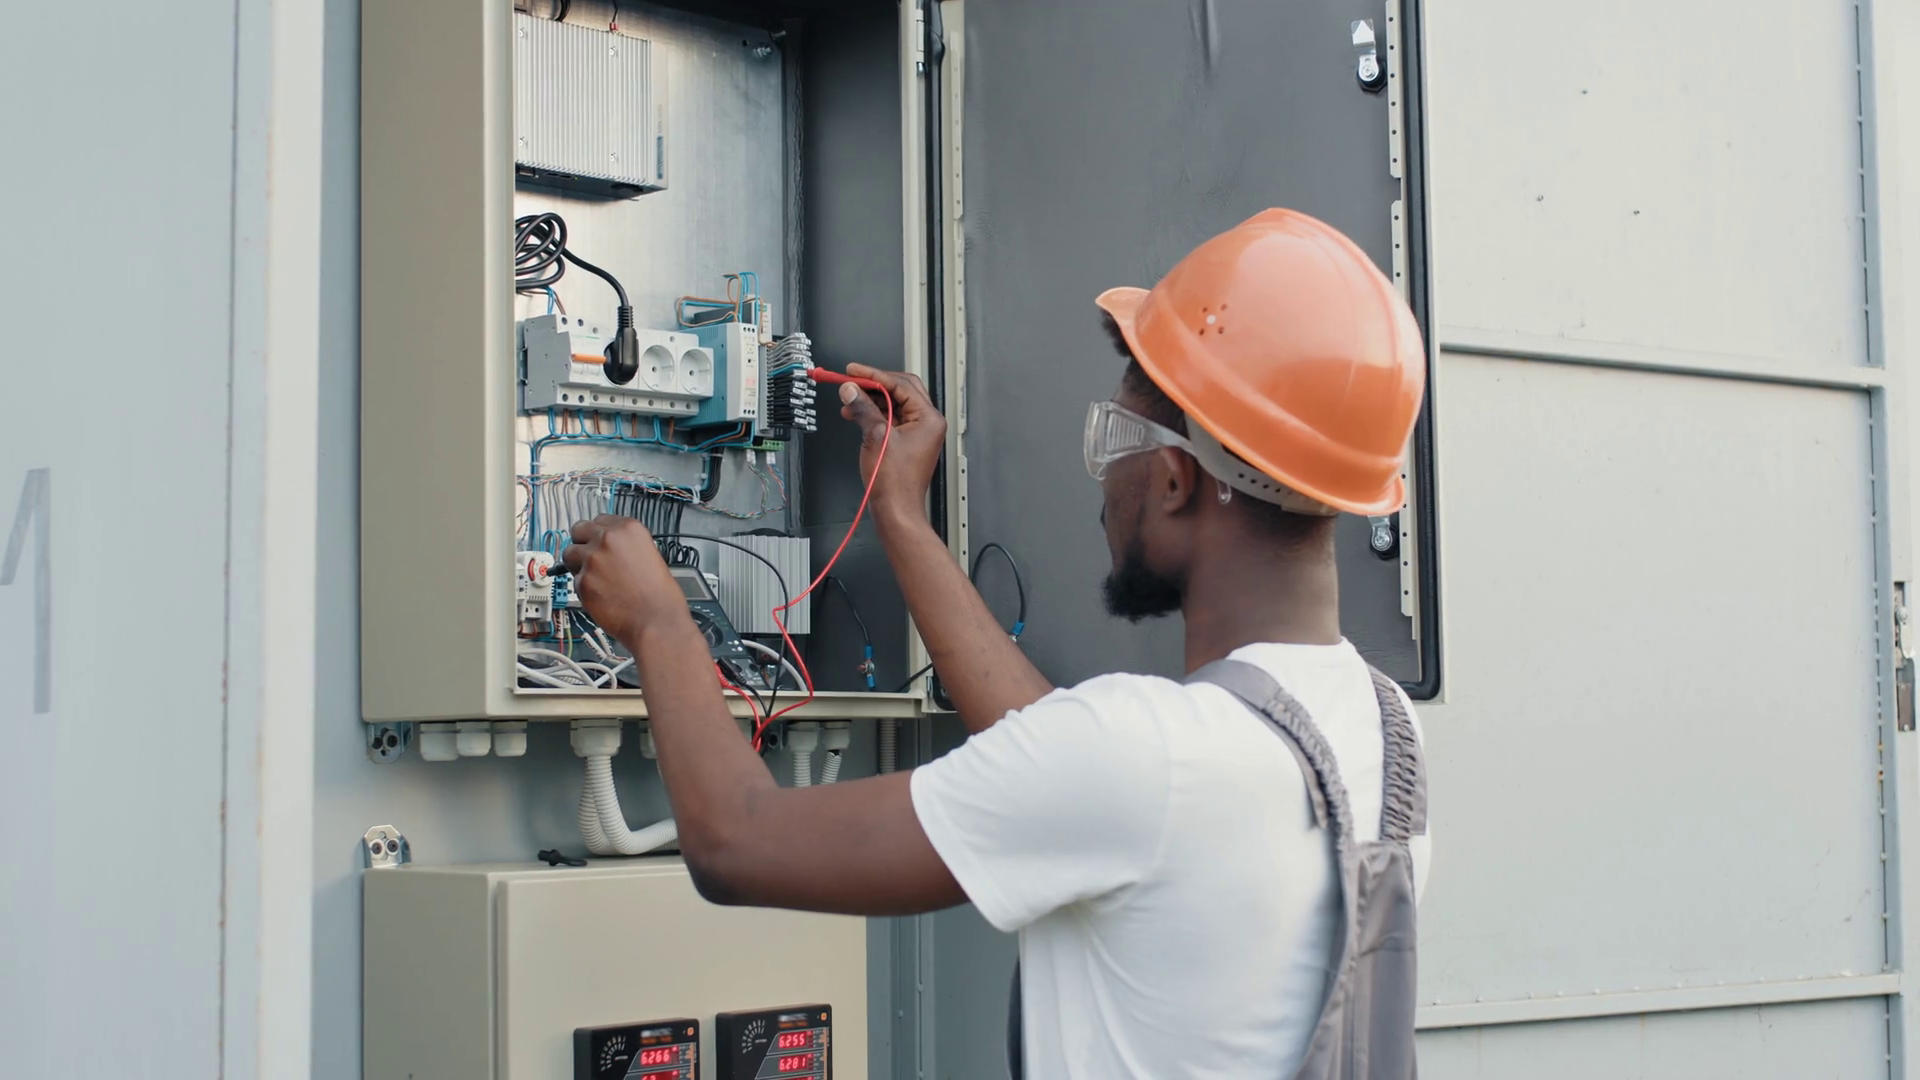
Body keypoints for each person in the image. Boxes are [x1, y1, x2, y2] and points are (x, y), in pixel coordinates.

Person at [561, 208, 1432, 1080]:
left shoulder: (1145, 759)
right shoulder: (1382, 731)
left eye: (1116, 440)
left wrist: (659, 621)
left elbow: (735, 841)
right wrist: (900, 514)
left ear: (1174, 482)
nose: (1106, 477)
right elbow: (1058, 753)